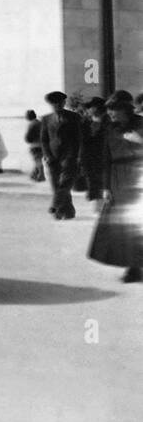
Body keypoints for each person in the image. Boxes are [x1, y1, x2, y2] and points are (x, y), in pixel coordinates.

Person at [89, 90, 143, 282]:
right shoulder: (110, 129)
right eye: (109, 110)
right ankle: (133, 267)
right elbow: (106, 158)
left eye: (114, 110)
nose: (110, 114)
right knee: (123, 227)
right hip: (118, 180)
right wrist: (106, 187)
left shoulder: (140, 124)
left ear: (125, 110)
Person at [40, 91, 81, 220]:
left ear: (64, 103)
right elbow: (44, 139)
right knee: (56, 185)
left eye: (59, 103)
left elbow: (78, 138)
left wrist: (76, 155)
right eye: (54, 104)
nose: (57, 105)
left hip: (69, 156)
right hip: (52, 157)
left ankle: (56, 205)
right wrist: (47, 155)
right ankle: (67, 212)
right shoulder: (46, 119)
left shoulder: (74, 117)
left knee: (65, 183)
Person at [24, 108, 45, 181]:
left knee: (37, 160)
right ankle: (33, 174)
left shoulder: (31, 124)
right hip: (42, 145)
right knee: (37, 160)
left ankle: (41, 175)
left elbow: (28, 137)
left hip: (35, 145)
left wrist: (27, 139)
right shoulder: (40, 122)